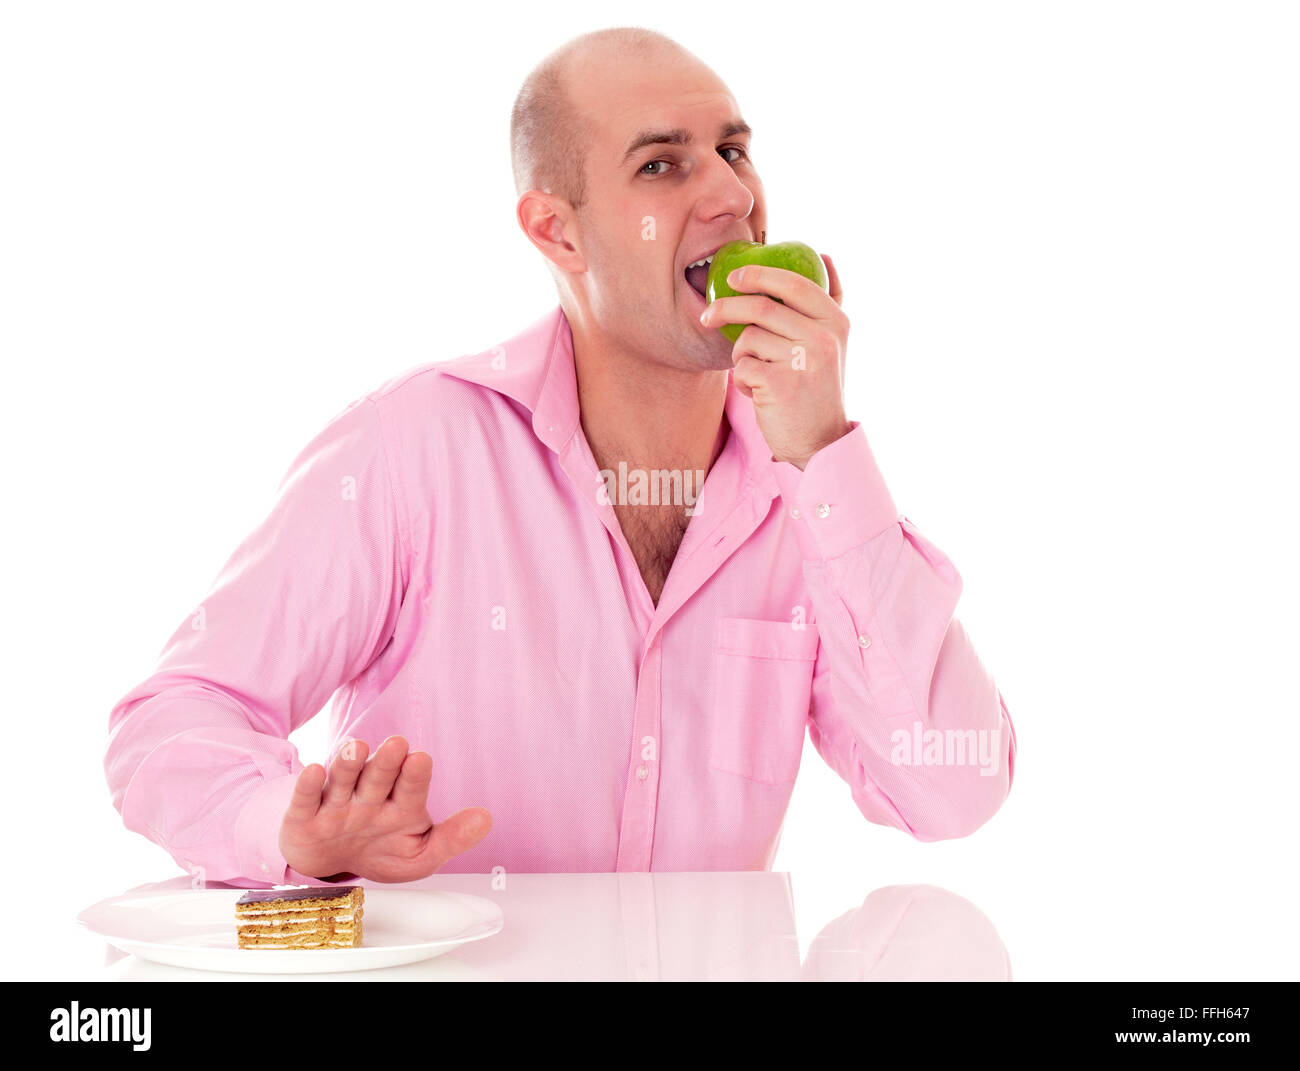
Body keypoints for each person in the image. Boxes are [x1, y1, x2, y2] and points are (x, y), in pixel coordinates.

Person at [105, 26, 1016, 887]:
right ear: (556, 230)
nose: (733, 196)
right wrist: (292, 828)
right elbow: (169, 721)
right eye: (663, 164)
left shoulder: (810, 495)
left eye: (734, 152)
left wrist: (823, 452)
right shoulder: (410, 448)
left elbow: (953, 789)